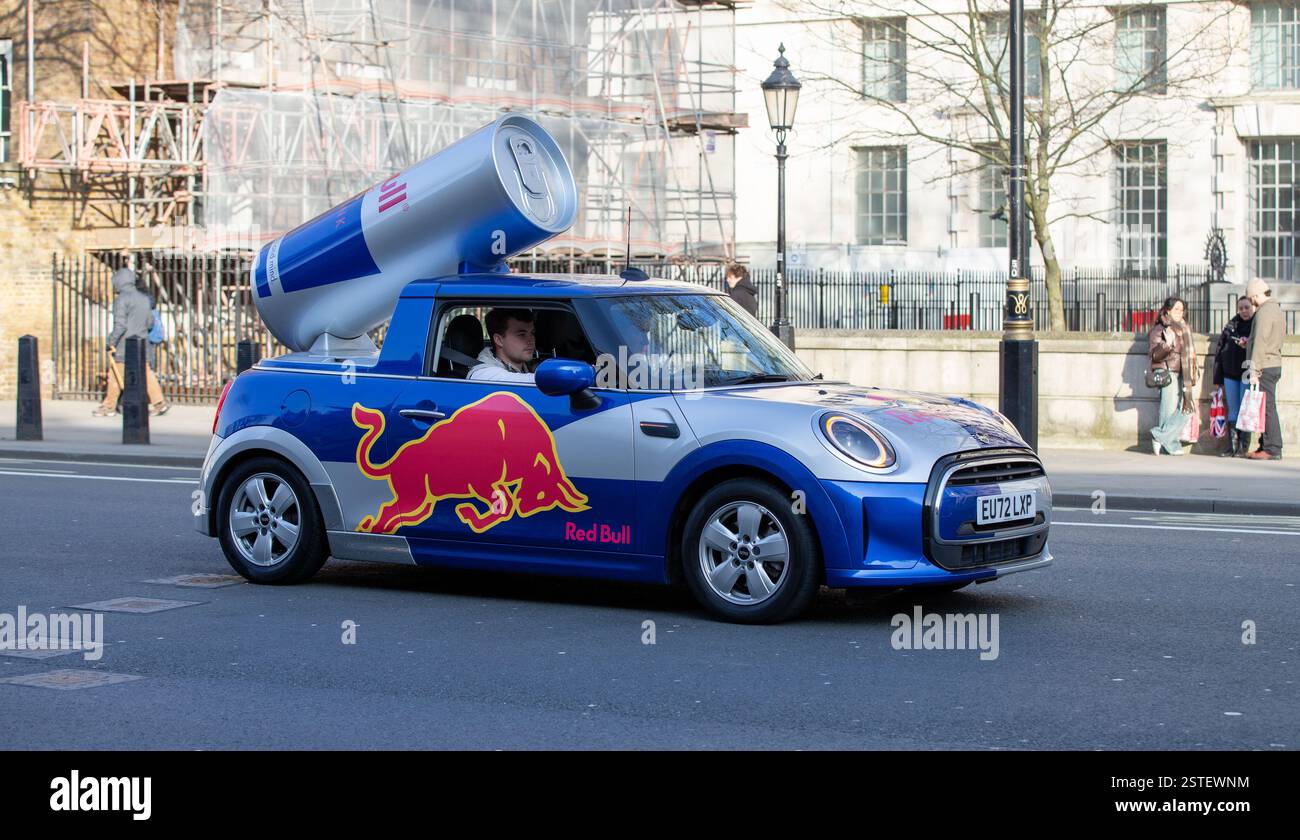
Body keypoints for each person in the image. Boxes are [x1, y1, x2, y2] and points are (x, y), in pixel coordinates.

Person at [93, 267, 170, 417]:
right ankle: (159, 402)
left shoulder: (121, 299)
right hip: (142, 342)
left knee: (115, 374)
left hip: (124, 344)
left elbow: (120, 324)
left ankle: (108, 406)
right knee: (146, 373)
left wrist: (111, 341)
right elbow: (149, 322)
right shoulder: (144, 298)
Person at [1147, 296, 1198, 456]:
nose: (1179, 312)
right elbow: (1154, 355)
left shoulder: (1184, 328)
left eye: (1181, 309)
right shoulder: (1160, 329)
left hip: (1183, 372)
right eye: (1176, 308)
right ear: (1167, 310)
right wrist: (1167, 345)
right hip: (1166, 370)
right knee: (1168, 409)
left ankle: (1160, 436)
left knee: (1187, 408)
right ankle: (1169, 443)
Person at [1243, 278, 1286, 461]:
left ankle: (1272, 448)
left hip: (1265, 365)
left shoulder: (1264, 312)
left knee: (1267, 408)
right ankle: (1265, 445)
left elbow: (1260, 342)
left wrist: (1253, 371)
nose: (1251, 303)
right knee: (1266, 407)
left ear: (1257, 294)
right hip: (1273, 362)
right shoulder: (1276, 310)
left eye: (1252, 298)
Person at [1212, 297, 1254, 457]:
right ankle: (1232, 447)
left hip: (1246, 372)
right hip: (1230, 373)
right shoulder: (1230, 326)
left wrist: (1247, 343)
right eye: (1241, 308)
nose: (1244, 311)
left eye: (1247, 307)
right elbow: (1220, 351)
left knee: (1245, 410)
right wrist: (1217, 379)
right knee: (1233, 410)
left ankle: (1243, 447)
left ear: (1252, 308)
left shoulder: (1255, 325)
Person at [468, 308, 536, 383]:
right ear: (499, 340)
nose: (531, 340)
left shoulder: (526, 366)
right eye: (522, 335)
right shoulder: (483, 375)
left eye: (532, 333)